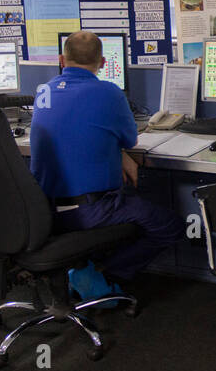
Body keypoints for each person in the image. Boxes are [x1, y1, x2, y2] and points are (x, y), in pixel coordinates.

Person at [28, 31, 185, 304]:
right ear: (102, 63)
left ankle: (85, 267)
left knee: (130, 199)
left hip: (43, 209)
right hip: (91, 210)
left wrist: (119, 153)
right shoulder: (108, 92)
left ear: (61, 60)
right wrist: (122, 152)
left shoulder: (45, 90)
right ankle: (106, 275)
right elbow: (130, 138)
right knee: (169, 225)